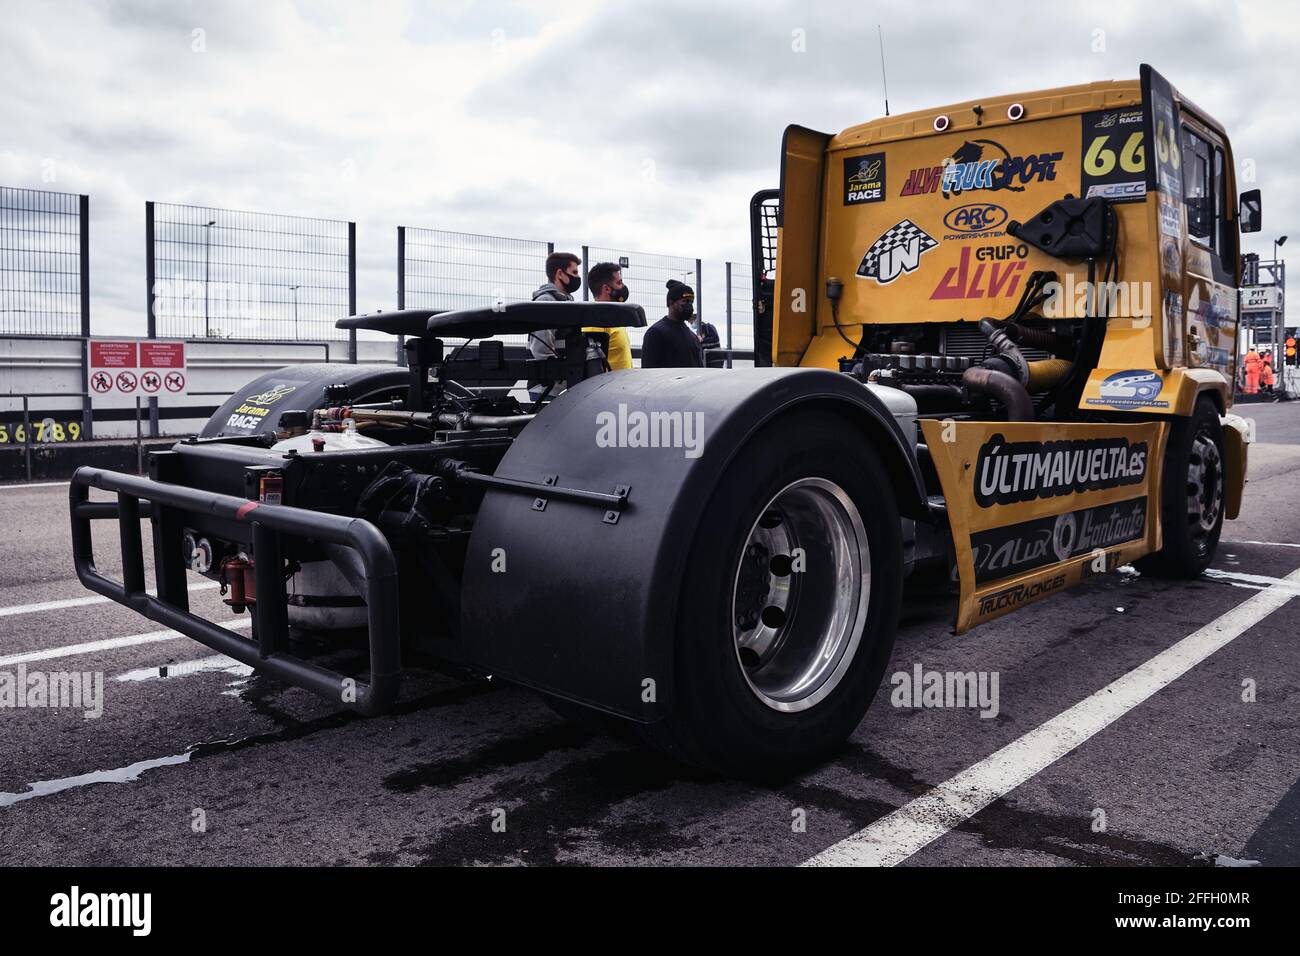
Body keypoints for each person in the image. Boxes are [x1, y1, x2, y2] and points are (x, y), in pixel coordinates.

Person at [530, 251, 583, 360]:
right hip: (554, 375)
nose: (578, 277)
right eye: (574, 272)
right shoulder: (546, 302)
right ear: (560, 274)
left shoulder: (564, 302)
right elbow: (542, 352)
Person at [641, 279, 703, 369]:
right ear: (671, 302)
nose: (689, 306)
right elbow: (648, 371)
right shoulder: (656, 333)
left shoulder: (692, 336)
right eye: (685, 301)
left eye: (691, 302)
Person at [584, 262, 633, 370]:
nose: (623, 287)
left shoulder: (611, 319)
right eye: (619, 283)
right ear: (606, 289)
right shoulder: (595, 324)